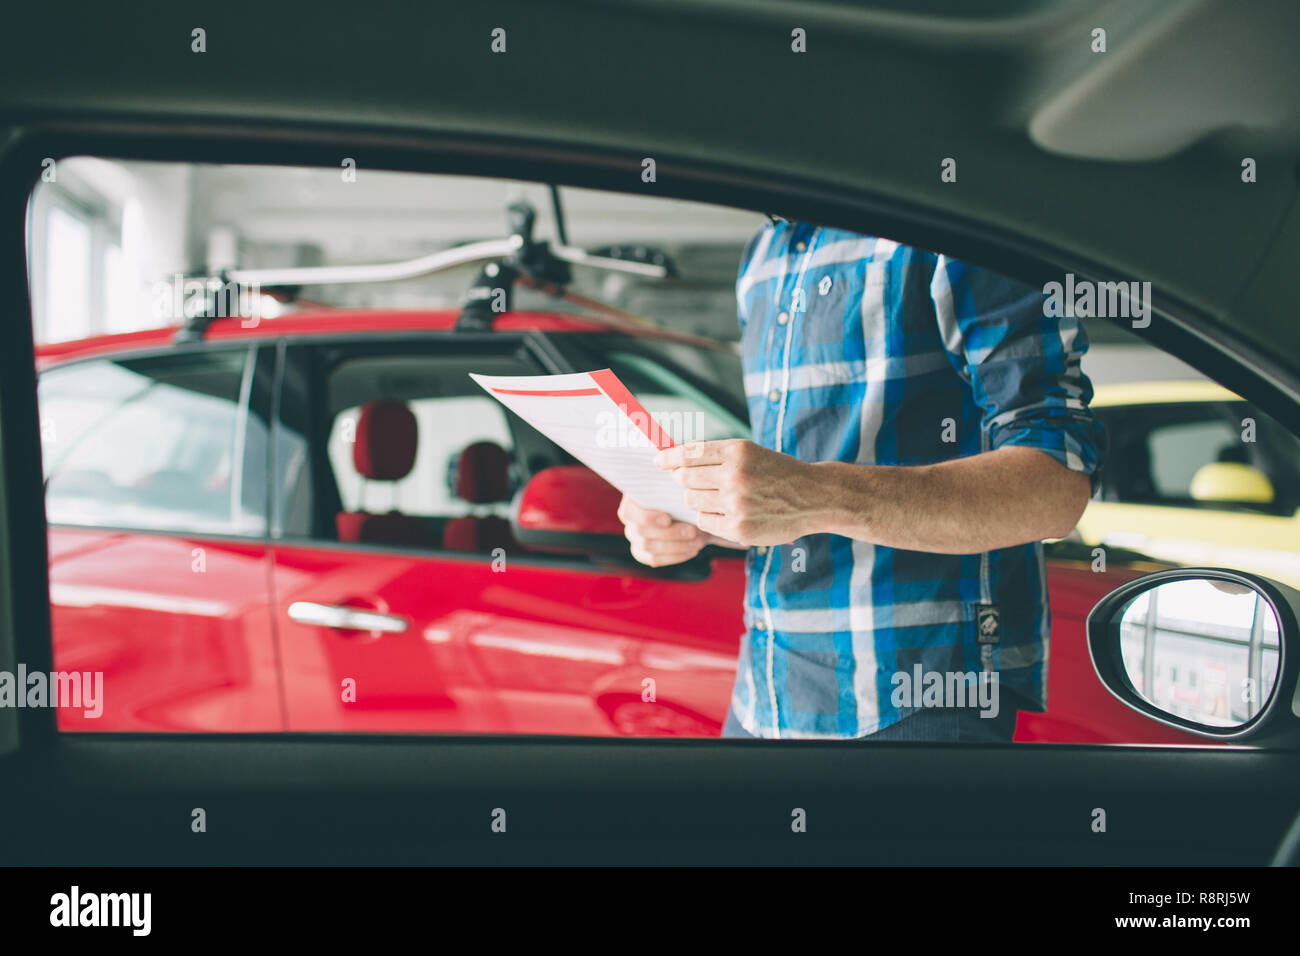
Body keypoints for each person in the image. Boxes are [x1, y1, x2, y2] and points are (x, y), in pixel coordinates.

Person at [616, 220, 1106, 740]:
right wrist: (699, 511)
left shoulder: (949, 222)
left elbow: (1056, 485)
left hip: (919, 700)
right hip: (764, 695)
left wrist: (815, 495)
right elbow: (792, 488)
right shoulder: (761, 257)